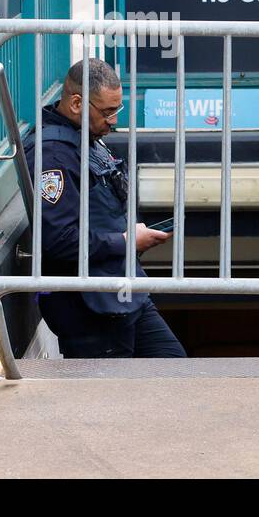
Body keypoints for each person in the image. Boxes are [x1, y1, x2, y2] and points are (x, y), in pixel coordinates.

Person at [23, 59, 186, 358]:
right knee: (111, 398)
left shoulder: (88, 137)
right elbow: (58, 240)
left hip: (122, 295)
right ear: (76, 103)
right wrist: (125, 242)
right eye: (108, 112)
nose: (113, 120)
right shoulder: (53, 154)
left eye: (117, 110)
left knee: (173, 367)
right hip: (91, 309)